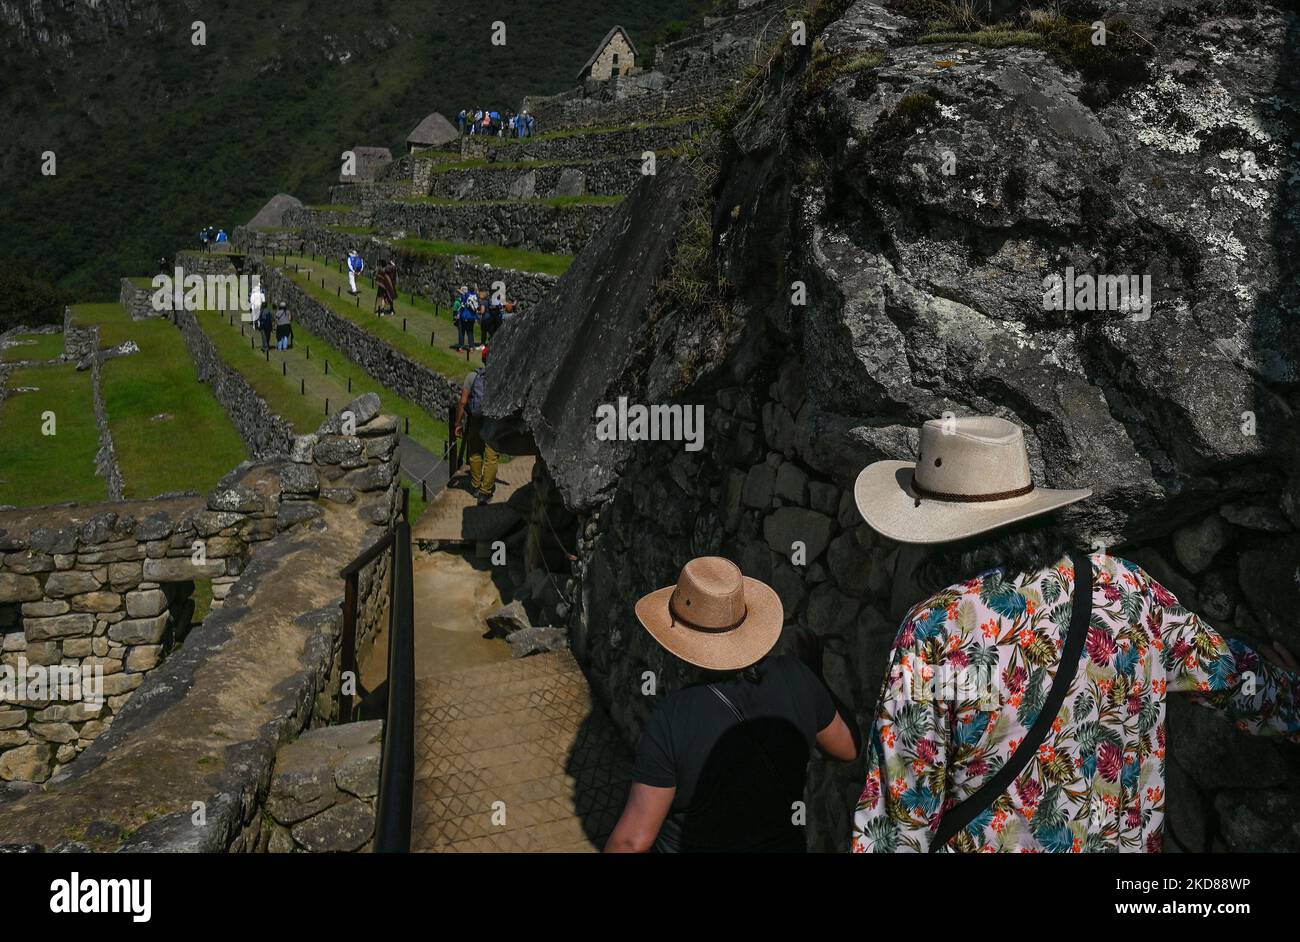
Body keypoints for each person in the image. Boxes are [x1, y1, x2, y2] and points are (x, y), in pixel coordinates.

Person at [849, 416, 1300, 853]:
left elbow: (900, 812)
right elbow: (1229, 679)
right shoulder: (1124, 587)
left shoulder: (936, 630)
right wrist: (1291, 695)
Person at [605, 557, 859, 853]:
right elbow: (848, 748)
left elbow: (631, 842)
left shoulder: (673, 719)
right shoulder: (797, 677)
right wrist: (818, 682)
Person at [454, 345, 497, 505]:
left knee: (475, 451)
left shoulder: (472, 377)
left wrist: (458, 423)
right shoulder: (499, 376)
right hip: (492, 419)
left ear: (483, 359)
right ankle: (485, 492)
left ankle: (475, 485)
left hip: (476, 419)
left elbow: (463, 401)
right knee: (492, 455)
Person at [456, 285, 480, 350]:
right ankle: (471, 347)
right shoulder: (476, 296)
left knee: (461, 332)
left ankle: (461, 347)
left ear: (468, 289)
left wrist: (461, 293)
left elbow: (463, 304)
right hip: (472, 317)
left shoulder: (466, 295)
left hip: (465, 316)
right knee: (470, 332)